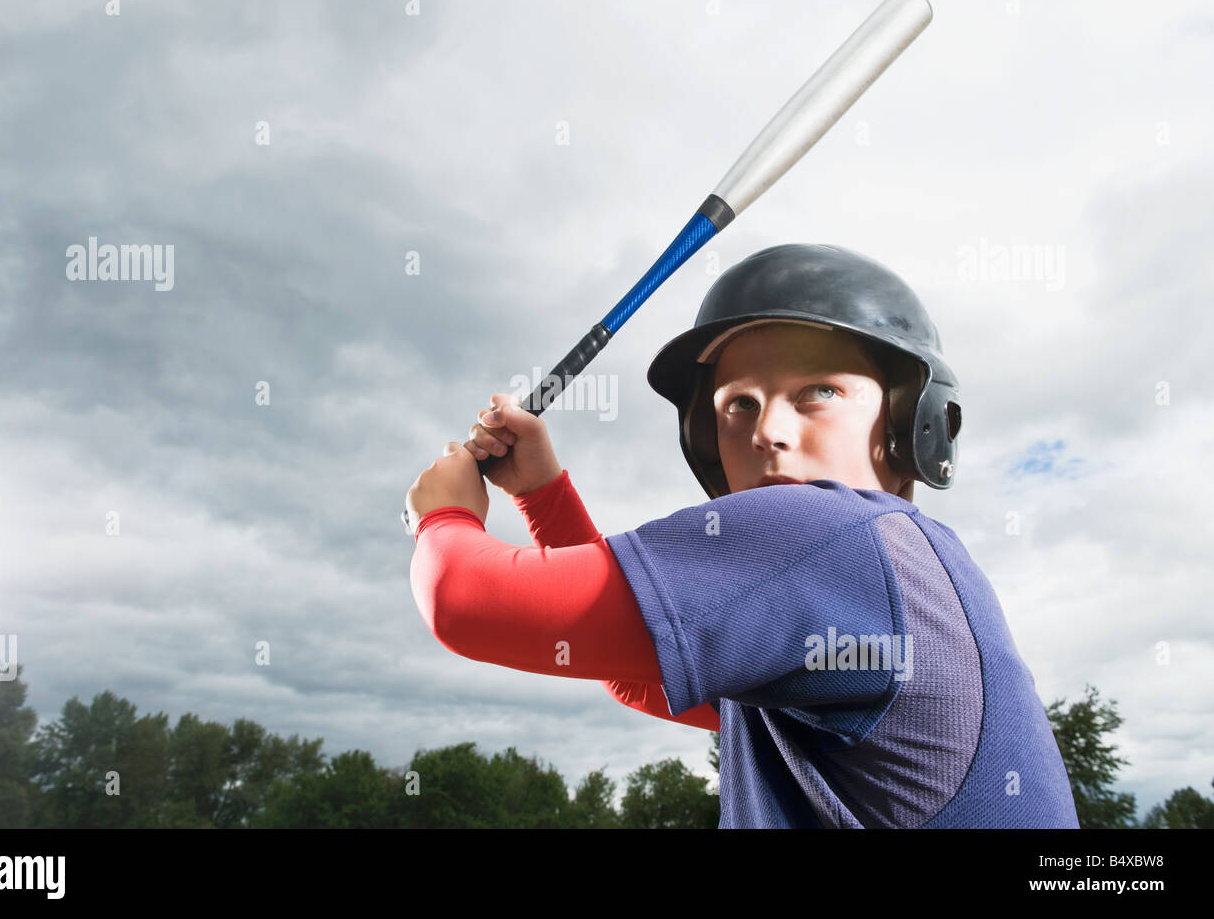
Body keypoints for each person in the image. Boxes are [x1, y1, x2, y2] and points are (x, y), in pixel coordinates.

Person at [407, 244, 1079, 828]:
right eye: (738, 405)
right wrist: (544, 495)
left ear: (912, 423)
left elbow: (463, 598)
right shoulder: (898, 579)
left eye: (819, 390)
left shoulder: (838, 535)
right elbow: (636, 673)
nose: (767, 431)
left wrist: (442, 514)